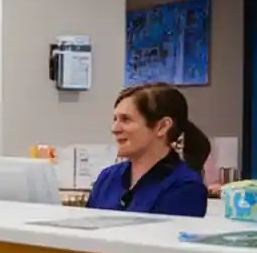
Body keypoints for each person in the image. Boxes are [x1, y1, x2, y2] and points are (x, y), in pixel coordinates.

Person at [87, 83, 210, 217]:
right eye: (115, 119)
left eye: (126, 120)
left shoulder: (185, 187)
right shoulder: (107, 178)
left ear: (162, 127)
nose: (115, 129)